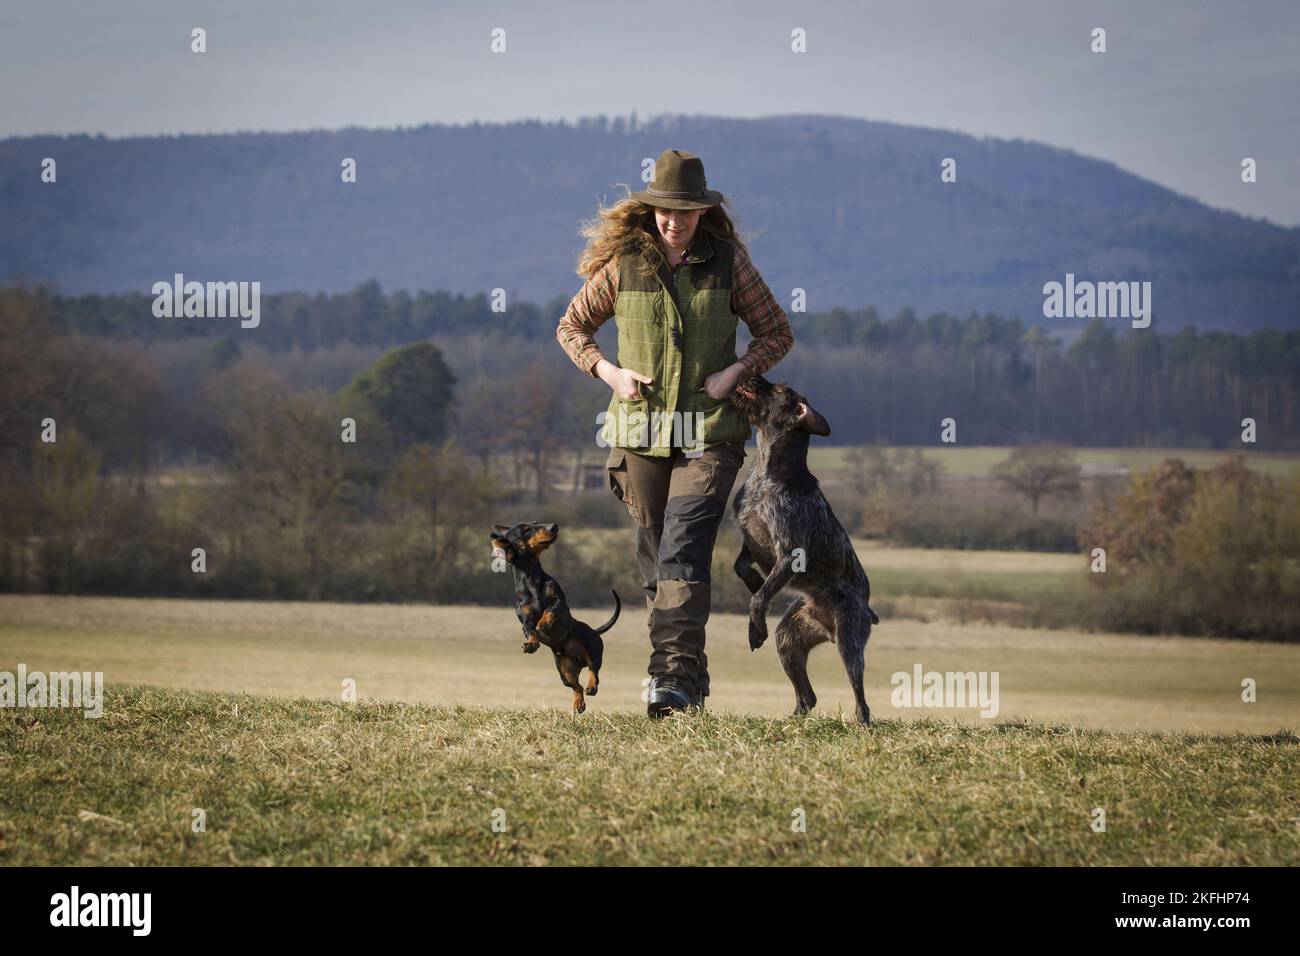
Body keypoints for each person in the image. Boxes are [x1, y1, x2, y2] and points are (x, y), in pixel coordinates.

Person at [556, 148, 793, 716]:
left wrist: (735, 372)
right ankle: (691, 677)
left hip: (710, 434)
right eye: (664, 210)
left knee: (683, 550)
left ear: (703, 213)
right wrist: (610, 372)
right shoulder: (622, 266)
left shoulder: (729, 264)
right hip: (640, 434)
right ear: (650, 209)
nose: (673, 220)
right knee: (655, 559)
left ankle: (670, 681)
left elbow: (777, 333)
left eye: (685, 211)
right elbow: (571, 328)